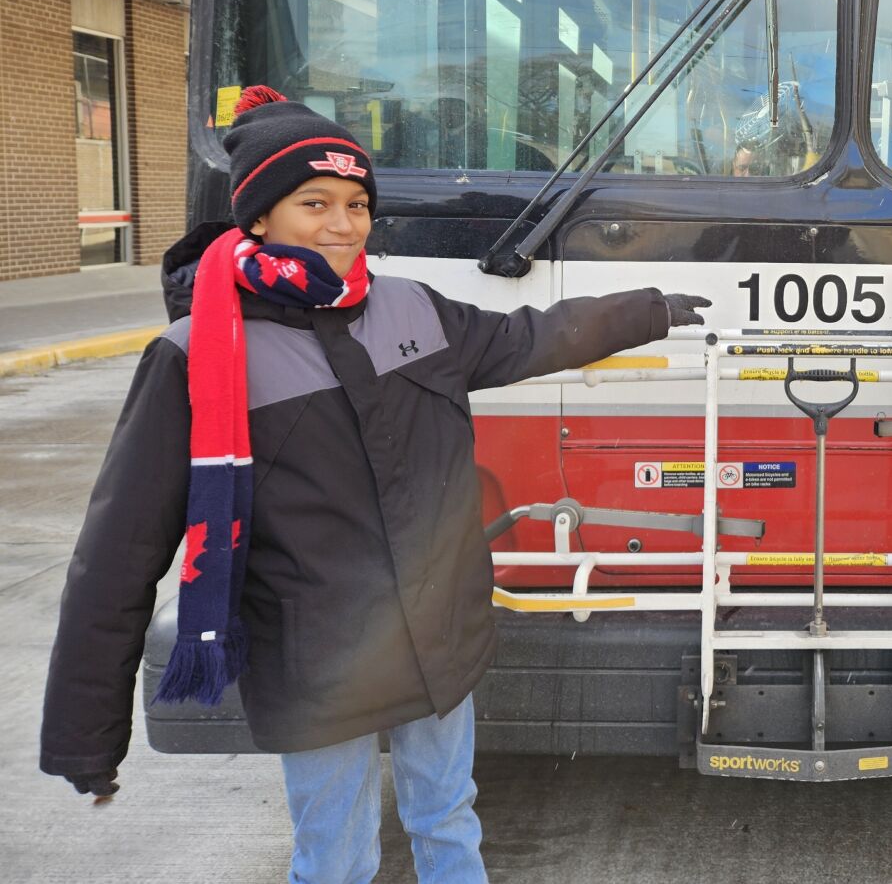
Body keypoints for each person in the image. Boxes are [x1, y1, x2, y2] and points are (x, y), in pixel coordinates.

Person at [39, 86, 710, 882]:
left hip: (438, 637)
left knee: (447, 820)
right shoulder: (195, 356)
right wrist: (87, 732)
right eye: (314, 202)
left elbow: (530, 337)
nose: (343, 223)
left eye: (357, 203)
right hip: (316, 658)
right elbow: (118, 552)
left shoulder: (410, 308)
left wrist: (648, 308)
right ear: (256, 216)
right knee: (335, 858)